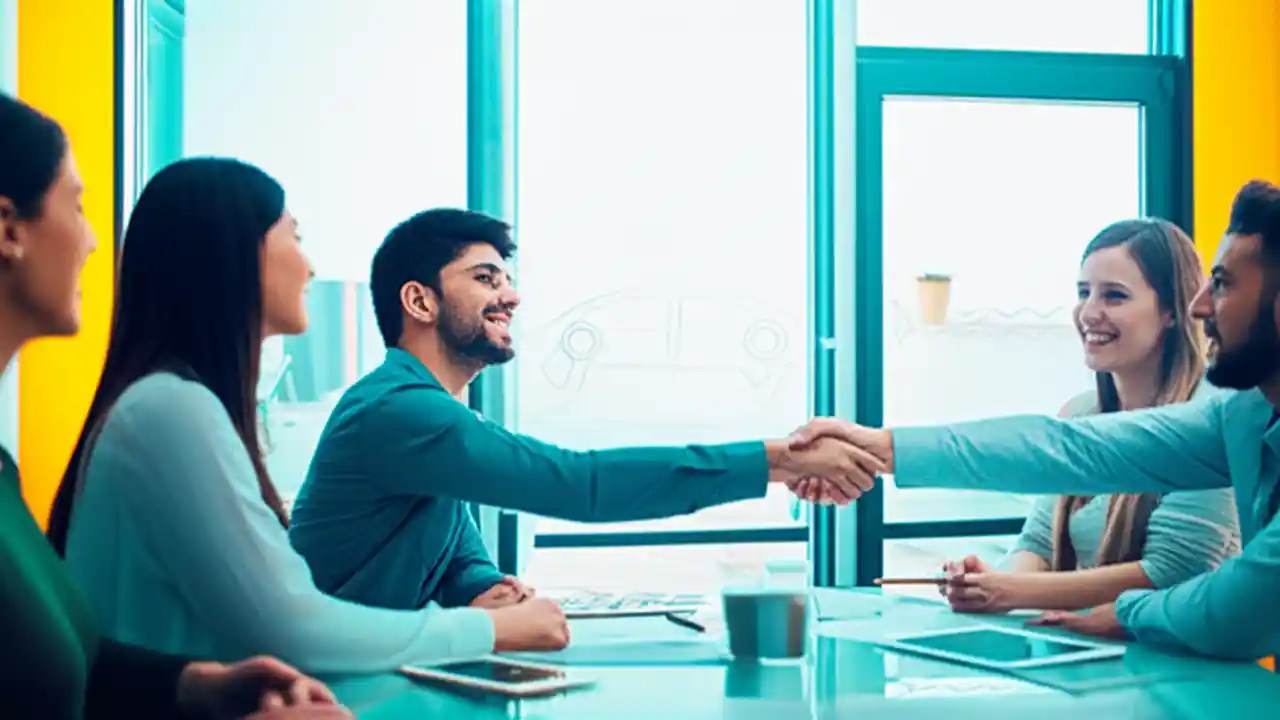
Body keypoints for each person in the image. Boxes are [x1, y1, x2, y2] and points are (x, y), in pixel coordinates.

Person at [44, 158, 573, 675]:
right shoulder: (170, 411)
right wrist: (491, 629)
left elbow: (450, 541)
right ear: (235, 256)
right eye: (294, 237)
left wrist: (482, 590)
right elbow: (290, 628)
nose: (310, 267)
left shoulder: (173, 405)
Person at [288, 208, 876, 612]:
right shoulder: (399, 413)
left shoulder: (428, 412)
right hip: (327, 689)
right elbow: (580, 484)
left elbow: (453, 545)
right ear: (419, 300)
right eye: (486, 278)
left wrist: (483, 585)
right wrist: (778, 460)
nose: (511, 296)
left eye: (507, 280)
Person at [788, 181, 1280, 661]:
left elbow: (1233, 607)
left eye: (1222, 284)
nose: (1200, 306)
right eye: (1084, 292)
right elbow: (1067, 449)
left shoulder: (1218, 405)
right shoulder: (1240, 414)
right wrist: (881, 447)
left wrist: (1116, 611)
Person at [0, 93, 345, 718]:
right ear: (8, 230)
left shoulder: (3, 474)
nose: (93, 241)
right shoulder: (166, 409)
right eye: (75, 205)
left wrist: (196, 685)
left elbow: (54, 663)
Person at [941, 219, 1239, 614]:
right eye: (1084, 293)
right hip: (1079, 645)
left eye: (1114, 296)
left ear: (1172, 309)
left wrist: (1007, 591)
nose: (1089, 313)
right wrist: (982, 583)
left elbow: (1173, 570)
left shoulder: (1210, 414)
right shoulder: (1079, 413)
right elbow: (1037, 544)